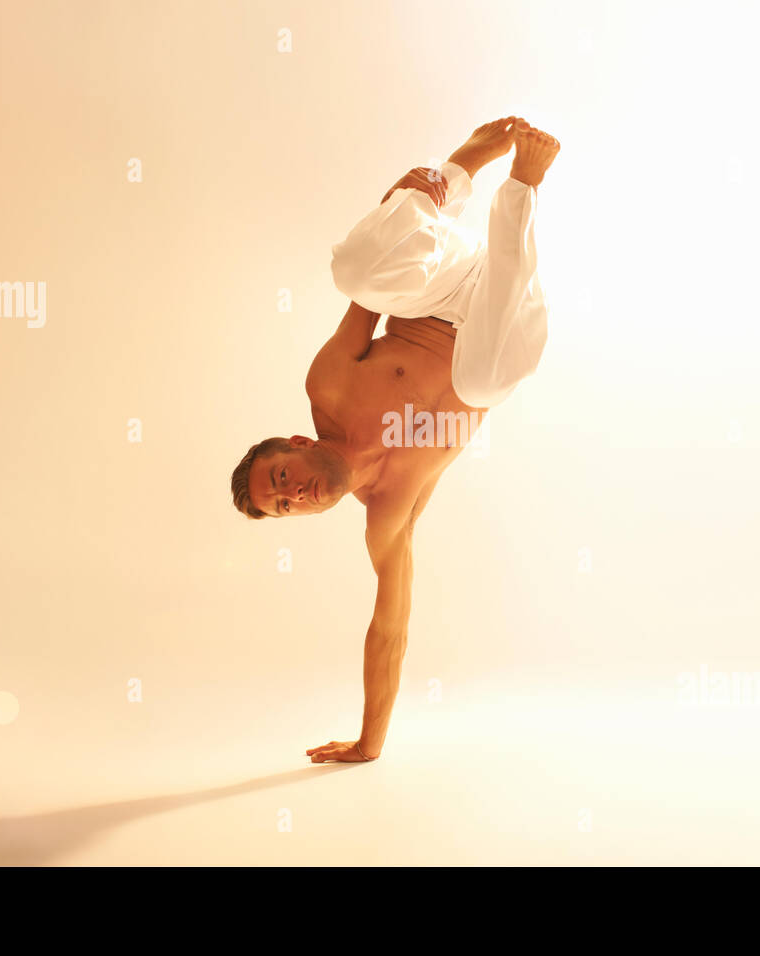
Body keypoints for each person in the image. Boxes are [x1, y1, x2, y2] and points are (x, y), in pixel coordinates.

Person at [231, 116, 560, 762]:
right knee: (490, 382)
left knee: (349, 270)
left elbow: (371, 277)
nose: (294, 495)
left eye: (280, 479)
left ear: (295, 444)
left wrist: (422, 188)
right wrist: (367, 743)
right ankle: (524, 185)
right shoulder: (387, 512)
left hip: (444, 284)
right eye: (284, 507)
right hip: (499, 312)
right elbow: (389, 630)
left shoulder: (328, 386)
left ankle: (460, 169)